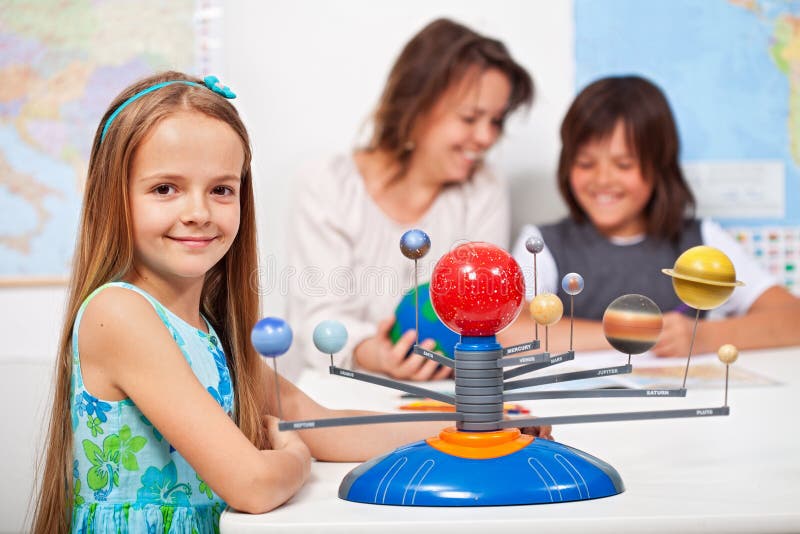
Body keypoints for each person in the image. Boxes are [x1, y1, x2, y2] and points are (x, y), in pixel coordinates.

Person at [31, 72, 550, 533]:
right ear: (111, 196)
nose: (198, 212)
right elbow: (254, 484)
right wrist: (294, 455)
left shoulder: (211, 330)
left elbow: (315, 421)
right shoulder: (119, 314)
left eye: (221, 189)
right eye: (165, 188)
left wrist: (477, 420)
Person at [287, 18, 533, 380]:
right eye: (470, 117)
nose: (486, 137)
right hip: (342, 389)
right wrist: (377, 355)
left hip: (445, 393)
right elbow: (317, 318)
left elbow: (483, 304)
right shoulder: (327, 183)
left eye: (496, 121)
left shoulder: (483, 188)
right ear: (415, 105)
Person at [503, 75, 800, 357]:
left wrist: (702, 338)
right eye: (585, 163)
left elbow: (793, 319)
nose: (603, 180)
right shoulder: (541, 243)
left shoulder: (702, 241)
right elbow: (511, 330)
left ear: (659, 167)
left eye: (623, 164)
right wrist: (642, 333)